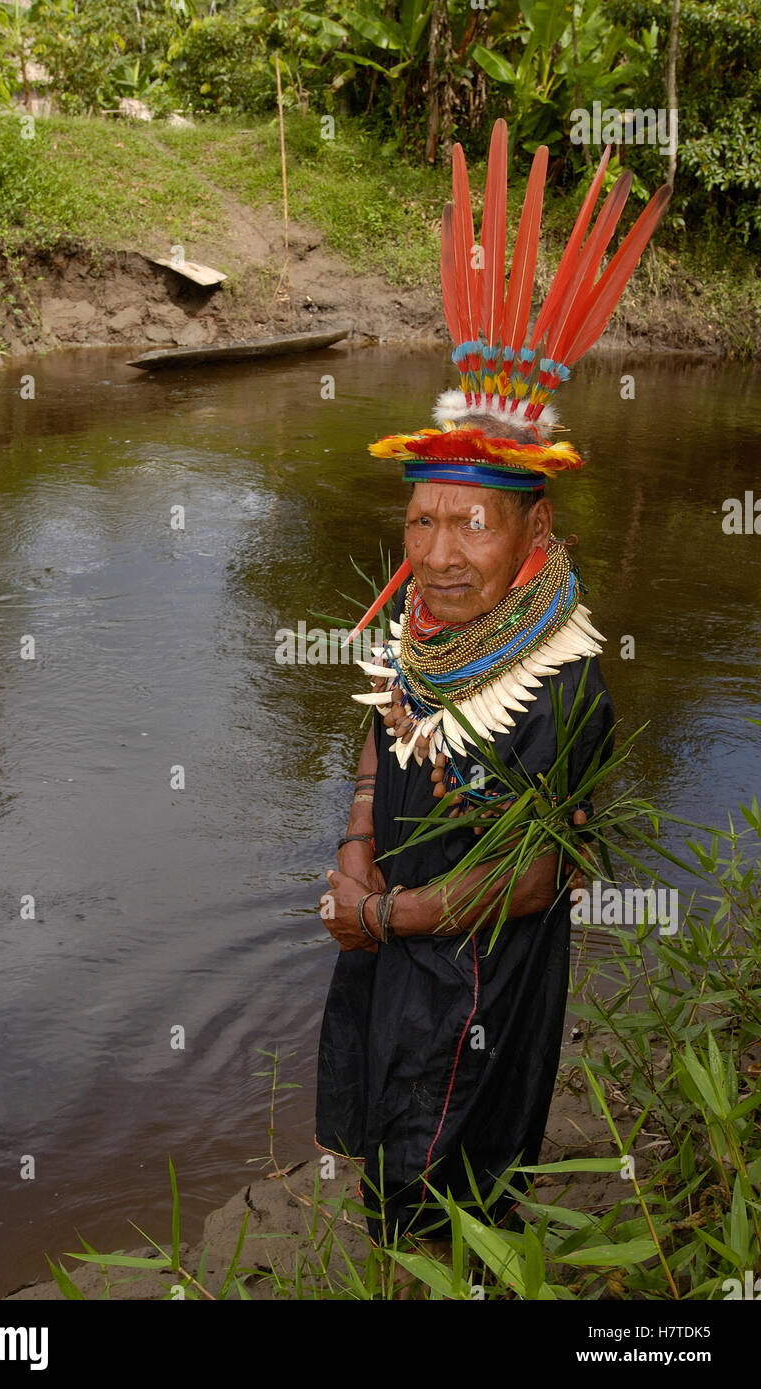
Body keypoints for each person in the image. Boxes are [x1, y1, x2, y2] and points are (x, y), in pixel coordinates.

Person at [315, 120, 669, 1250]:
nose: (440, 550)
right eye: (421, 519)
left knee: (452, 1151)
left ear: (534, 526)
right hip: (390, 923)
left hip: (479, 973)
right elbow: (385, 727)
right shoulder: (421, 622)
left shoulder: (566, 681)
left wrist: (381, 914)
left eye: (472, 522)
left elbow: (529, 881)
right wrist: (357, 846)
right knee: (378, 1115)